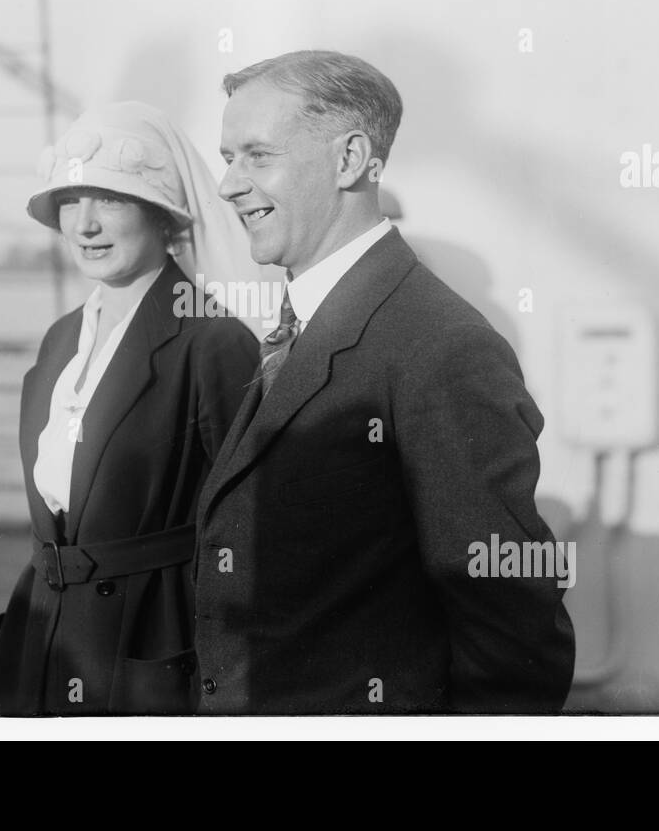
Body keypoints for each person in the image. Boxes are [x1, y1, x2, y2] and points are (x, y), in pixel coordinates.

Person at [194, 51, 576, 713]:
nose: (228, 184)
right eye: (228, 157)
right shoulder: (305, 325)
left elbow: (513, 626)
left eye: (256, 156)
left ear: (349, 160)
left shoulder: (441, 346)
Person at [0, 102, 262, 715]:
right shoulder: (60, 338)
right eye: (71, 201)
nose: (84, 225)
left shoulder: (212, 341)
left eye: (109, 199)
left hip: (150, 636)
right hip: (46, 630)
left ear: (163, 219)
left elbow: (250, 531)